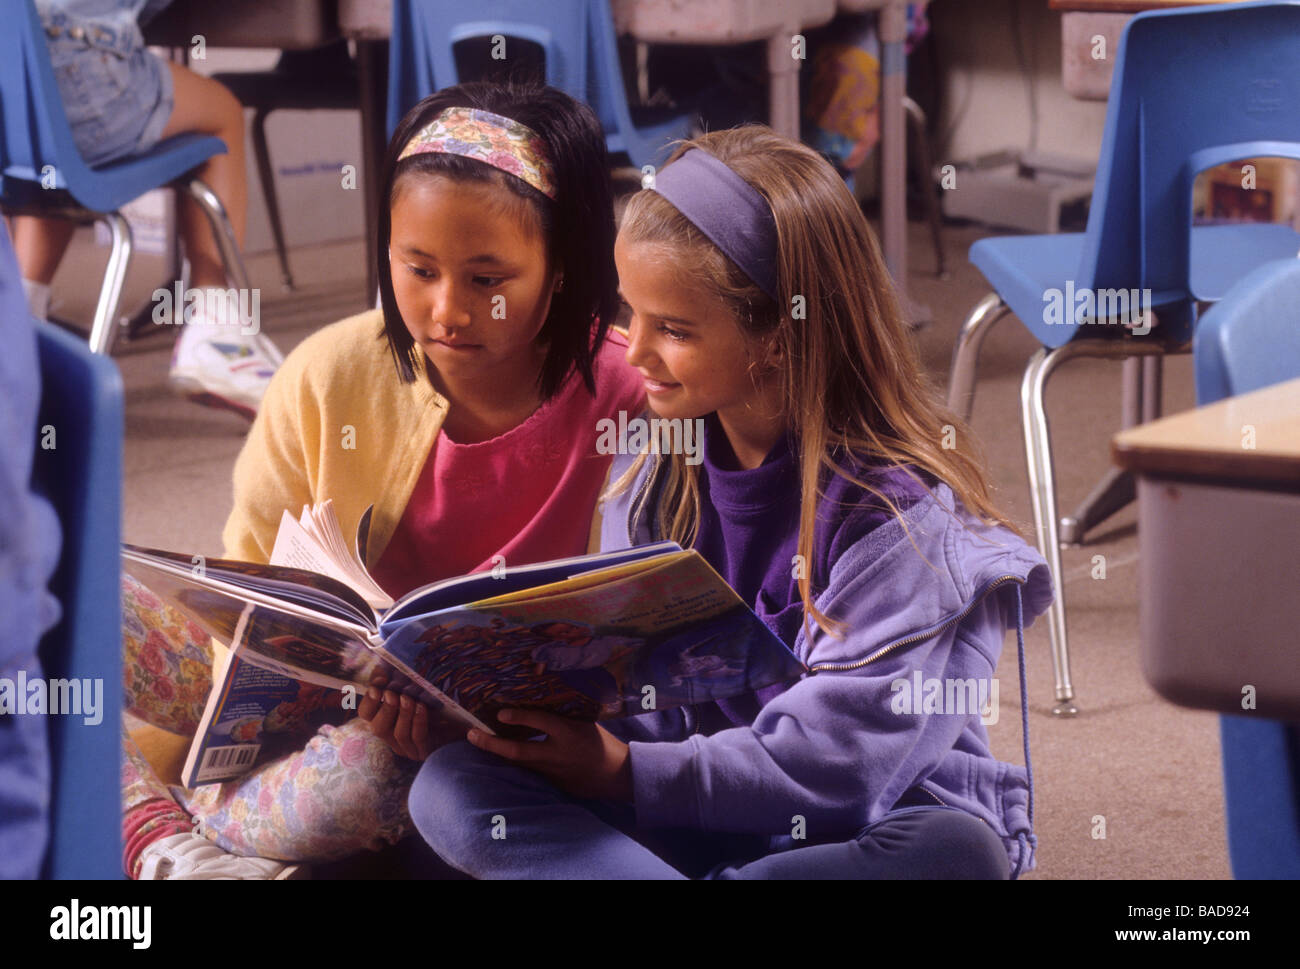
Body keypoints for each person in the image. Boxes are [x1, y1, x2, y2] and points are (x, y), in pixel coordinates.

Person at [407, 126, 1055, 880]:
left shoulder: (898, 518)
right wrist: (523, 708)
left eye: (674, 329)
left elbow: (841, 770)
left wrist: (623, 775)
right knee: (453, 784)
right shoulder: (655, 461)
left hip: (858, 818)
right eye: (631, 313)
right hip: (683, 799)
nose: (636, 352)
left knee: (956, 854)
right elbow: (633, 679)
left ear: (780, 336)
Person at [119, 81, 644, 878]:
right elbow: (247, 580)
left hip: (430, 746)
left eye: (487, 279)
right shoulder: (328, 372)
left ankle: (169, 831)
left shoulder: (627, 394)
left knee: (385, 779)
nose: (446, 312)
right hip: (274, 699)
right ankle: (164, 834)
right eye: (418, 267)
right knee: (46, 593)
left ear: (562, 267)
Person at [10, 0, 281, 419]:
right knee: (223, 113)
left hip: (12, 80)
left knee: (47, 155)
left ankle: (21, 329)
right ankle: (215, 330)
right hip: (80, 68)